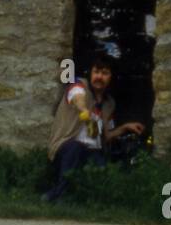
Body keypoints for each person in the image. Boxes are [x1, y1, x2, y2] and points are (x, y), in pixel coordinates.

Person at [43, 56, 144, 202]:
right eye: (96, 72)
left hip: (92, 151)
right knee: (75, 148)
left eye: (105, 73)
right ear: (90, 73)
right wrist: (84, 111)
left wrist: (125, 127)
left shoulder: (109, 103)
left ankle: (77, 200)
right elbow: (78, 98)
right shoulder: (78, 84)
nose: (99, 77)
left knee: (103, 168)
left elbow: (107, 136)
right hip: (66, 146)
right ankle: (57, 196)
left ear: (110, 77)